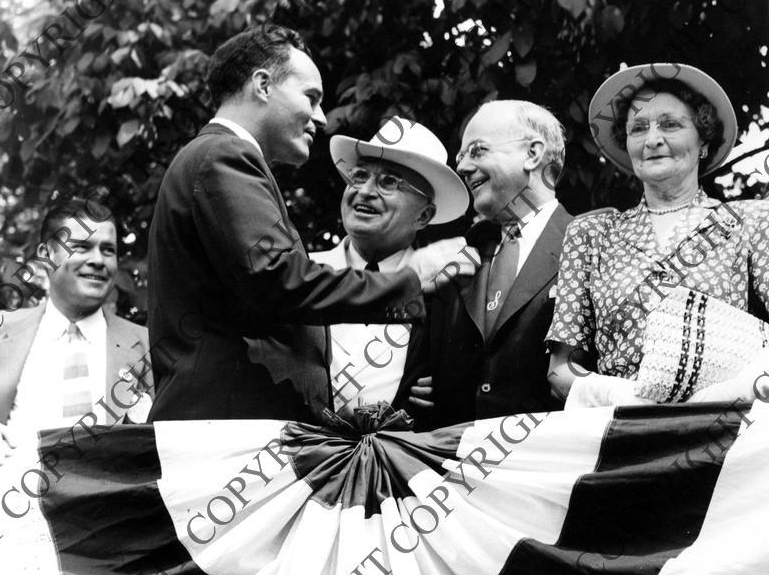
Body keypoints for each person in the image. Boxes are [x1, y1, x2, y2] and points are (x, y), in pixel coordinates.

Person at [147, 25, 473, 423]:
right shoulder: (225, 156)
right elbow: (280, 280)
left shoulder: (217, 156)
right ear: (263, 85)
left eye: (389, 182)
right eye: (311, 97)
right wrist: (413, 277)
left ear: (424, 214)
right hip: (226, 428)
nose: (321, 117)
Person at [547, 63, 769, 407]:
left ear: (703, 141)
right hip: (618, 430)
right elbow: (560, 369)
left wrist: (737, 390)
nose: (652, 140)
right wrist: (617, 394)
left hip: (720, 429)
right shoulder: (591, 235)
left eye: (670, 124)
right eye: (638, 129)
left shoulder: (748, 221)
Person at [402, 100, 575, 428]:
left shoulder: (589, 246)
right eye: (461, 157)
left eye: (477, 151)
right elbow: (420, 370)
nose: (464, 168)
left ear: (533, 154)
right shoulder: (459, 257)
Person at [0, 198, 153, 470]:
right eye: (82, 247)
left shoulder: (150, 346)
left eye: (108, 250)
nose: (97, 260)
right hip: (8, 504)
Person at [310, 118, 468, 419]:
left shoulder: (450, 290)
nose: (365, 191)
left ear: (423, 216)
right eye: (358, 176)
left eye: (388, 182)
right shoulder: (305, 270)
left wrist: (449, 387)